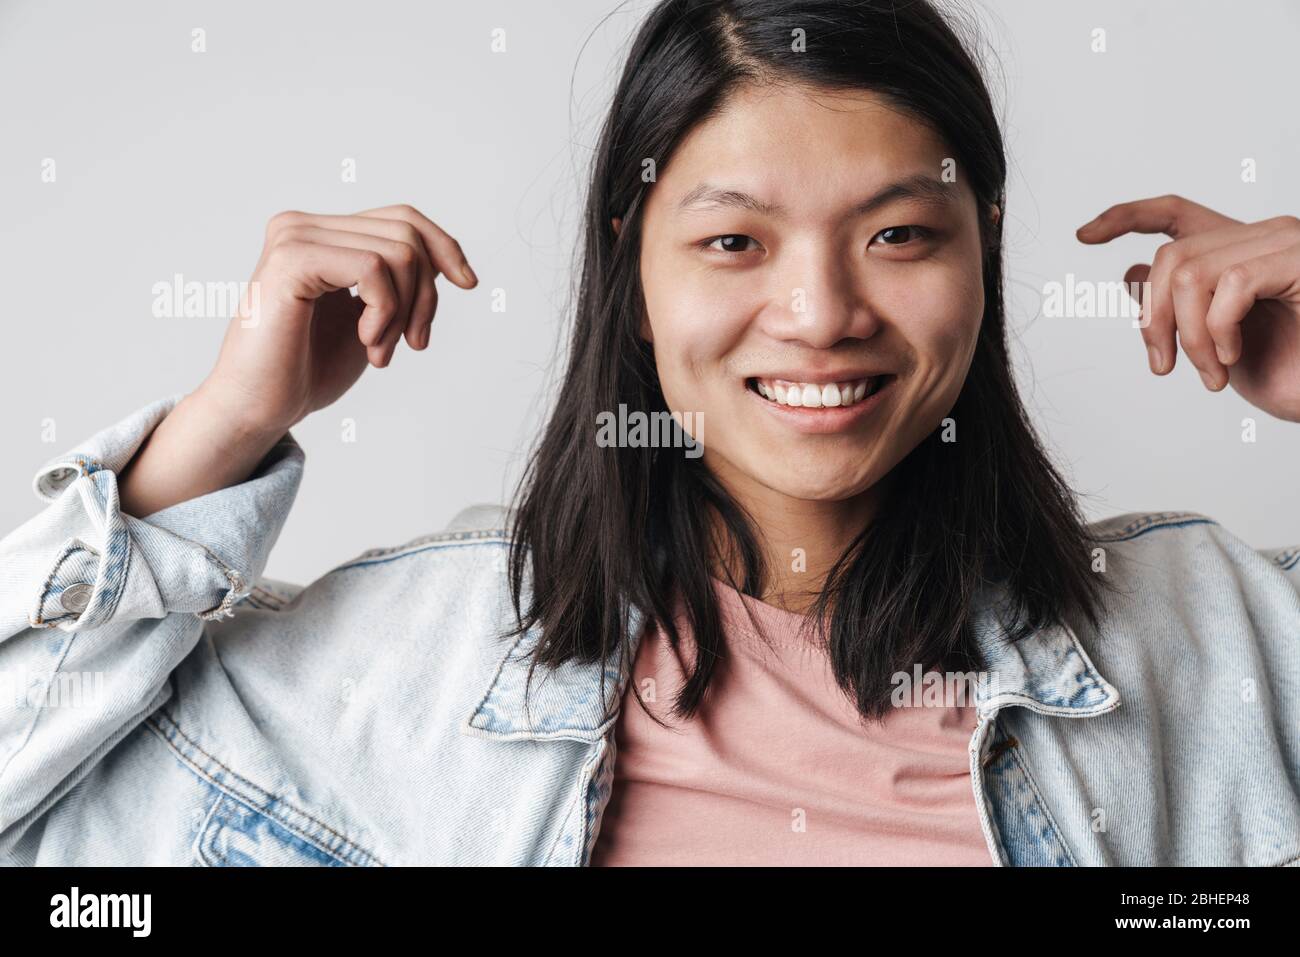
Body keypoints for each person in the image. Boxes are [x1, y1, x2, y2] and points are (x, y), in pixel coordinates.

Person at [3, 0, 1299, 867]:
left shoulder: (1226, 646)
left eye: (898, 233)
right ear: (632, 267)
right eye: (734, 240)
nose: (820, 314)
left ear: (986, 246)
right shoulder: (395, 684)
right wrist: (225, 425)